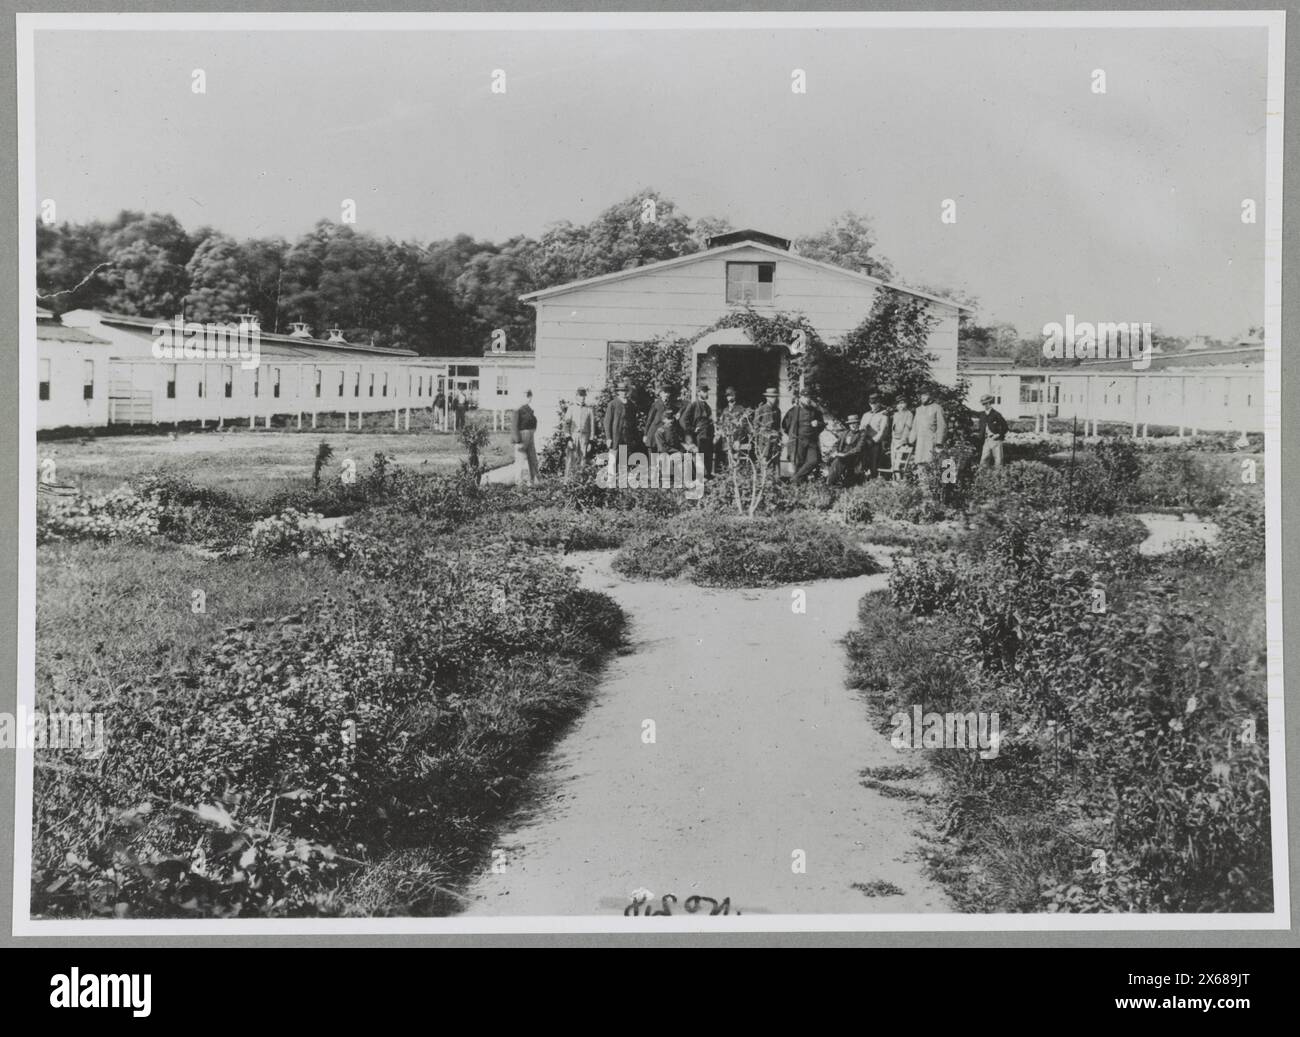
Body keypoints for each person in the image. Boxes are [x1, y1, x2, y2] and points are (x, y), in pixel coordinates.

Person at [781, 389, 824, 483]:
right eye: (805, 397)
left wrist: (818, 424)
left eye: (809, 397)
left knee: (814, 460)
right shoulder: (793, 411)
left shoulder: (815, 411)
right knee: (798, 464)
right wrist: (793, 435)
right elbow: (785, 425)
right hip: (798, 441)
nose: (807, 399)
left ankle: (793, 479)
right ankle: (798, 487)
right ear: (800, 398)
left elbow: (822, 425)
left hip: (811, 441)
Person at [679, 384, 716, 479]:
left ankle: (707, 475)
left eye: (707, 391)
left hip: (708, 435)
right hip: (699, 436)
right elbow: (683, 420)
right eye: (704, 391)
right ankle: (700, 476)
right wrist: (692, 429)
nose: (707, 393)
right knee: (700, 455)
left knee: (708, 455)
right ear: (699, 393)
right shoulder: (694, 405)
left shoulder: (707, 407)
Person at [562, 387, 596, 479]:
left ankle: (580, 482)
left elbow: (592, 427)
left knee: (583, 459)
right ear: (576, 396)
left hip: (585, 437)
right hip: (574, 436)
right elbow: (566, 425)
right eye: (581, 395)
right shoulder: (571, 408)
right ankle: (568, 482)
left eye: (584, 396)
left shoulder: (589, 410)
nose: (583, 398)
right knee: (571, 459)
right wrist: (568, 438)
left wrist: (591, 442)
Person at [908, 388, 947, 467]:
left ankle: (928, 479)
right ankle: (920, 478)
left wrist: (939, 442)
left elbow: (942, 425)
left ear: (931, 396)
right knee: (919, 461)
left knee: (930, 461)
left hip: (931, 440)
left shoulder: (937, 408)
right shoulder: (918, 409)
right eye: (921, 395)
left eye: (925, 395)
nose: (923, 397)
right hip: (920, 440)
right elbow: (915, 426)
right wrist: (910, 440)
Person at [827, 414, 866, 486]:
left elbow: (858, 448)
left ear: (858, 424)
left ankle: (831, 484)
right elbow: (836, 444)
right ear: (849, 425)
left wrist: (845, 454)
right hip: (842, 455)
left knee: (838, 461)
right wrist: (835, 451)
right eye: (851, 424)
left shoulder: (862, 434)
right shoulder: (845, 433)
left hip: (854, 457)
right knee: (833, 460)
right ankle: (830, 483)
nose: (853, 425)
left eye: (855, 423)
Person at [603, 381, 640, 456]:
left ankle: (622, 468)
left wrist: (633, 437)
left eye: (625, 391)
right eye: (621, 391)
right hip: (615, 436)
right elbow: (607, 422)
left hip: (626, 436)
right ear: (618, 392)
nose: (624, 393)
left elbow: (633, 422)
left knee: (623, 459)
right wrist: (608, 438)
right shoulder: (613, 404)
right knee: (613, 459)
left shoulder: (631, 405)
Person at [510, 389, 539, 486]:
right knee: (520, 460)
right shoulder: (517, 409)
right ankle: (518, 482)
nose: (529, 399)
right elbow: (514, 426)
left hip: (530, 436)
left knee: (532, 458)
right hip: (521, 436)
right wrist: (517, 441)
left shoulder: (529, 409)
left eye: (529, 397)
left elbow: (534, 421)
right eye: (527, 397)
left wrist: (533, 430)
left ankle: (533, 480)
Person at [860, 394, 891, 480]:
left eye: (875, 403)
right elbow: (860, 429)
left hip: (876, 443)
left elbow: (883, 430)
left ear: (879, 403)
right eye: (871, 403)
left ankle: (874, 480)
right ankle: (863, 479)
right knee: (862, 462)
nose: (872, 405)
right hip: (864, 442)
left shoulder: (884, 414)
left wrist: (873, 441)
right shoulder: (865, 415)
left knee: (874, 463)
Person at [754, 387, 783, 472]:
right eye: (771, 397)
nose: (773, 399)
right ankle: (764, 482)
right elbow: (756, 426)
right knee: (765, 462)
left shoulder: (777, 410)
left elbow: (778, 426)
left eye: (774, 397)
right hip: (764, 441)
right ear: (767, 397)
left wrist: (779, 438)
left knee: (776, 461)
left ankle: (776, 481)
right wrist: (762, 435)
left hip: (775, 440)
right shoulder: (761, 409)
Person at [976, 393, 1009, 467]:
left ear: (990, 403)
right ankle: (983, 476)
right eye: (983, 404)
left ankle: (998, 476)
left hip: (996, 440)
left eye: (986, 403)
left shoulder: (996, 414)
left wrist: (998, 434)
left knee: (998, 460)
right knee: (984, 459)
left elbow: (1005, 427)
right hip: (986, 440)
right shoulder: (982, 414)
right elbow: (971, 413)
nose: (984, 405)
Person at [643, 383, 674, 454]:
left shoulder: (670, 405)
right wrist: (645, 434)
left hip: (663, 436)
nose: (666, 395)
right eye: (664, 393)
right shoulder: (656, 404)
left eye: (668, 393)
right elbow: (649, 420)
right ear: (660, 394)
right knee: (653, 459)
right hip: (653, 434)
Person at [891, 397, 914, 478]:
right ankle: (894, 480)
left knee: (898, 463)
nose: (901, 405)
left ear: (906, 404)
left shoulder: (909, 414)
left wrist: (902, 442)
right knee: (893, 462)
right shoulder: (896, 414)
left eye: (902, 403)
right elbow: (893, 429)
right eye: (899, 403)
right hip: (894, 440)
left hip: (902, 441)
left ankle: (900, 481)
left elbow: (908, 429)